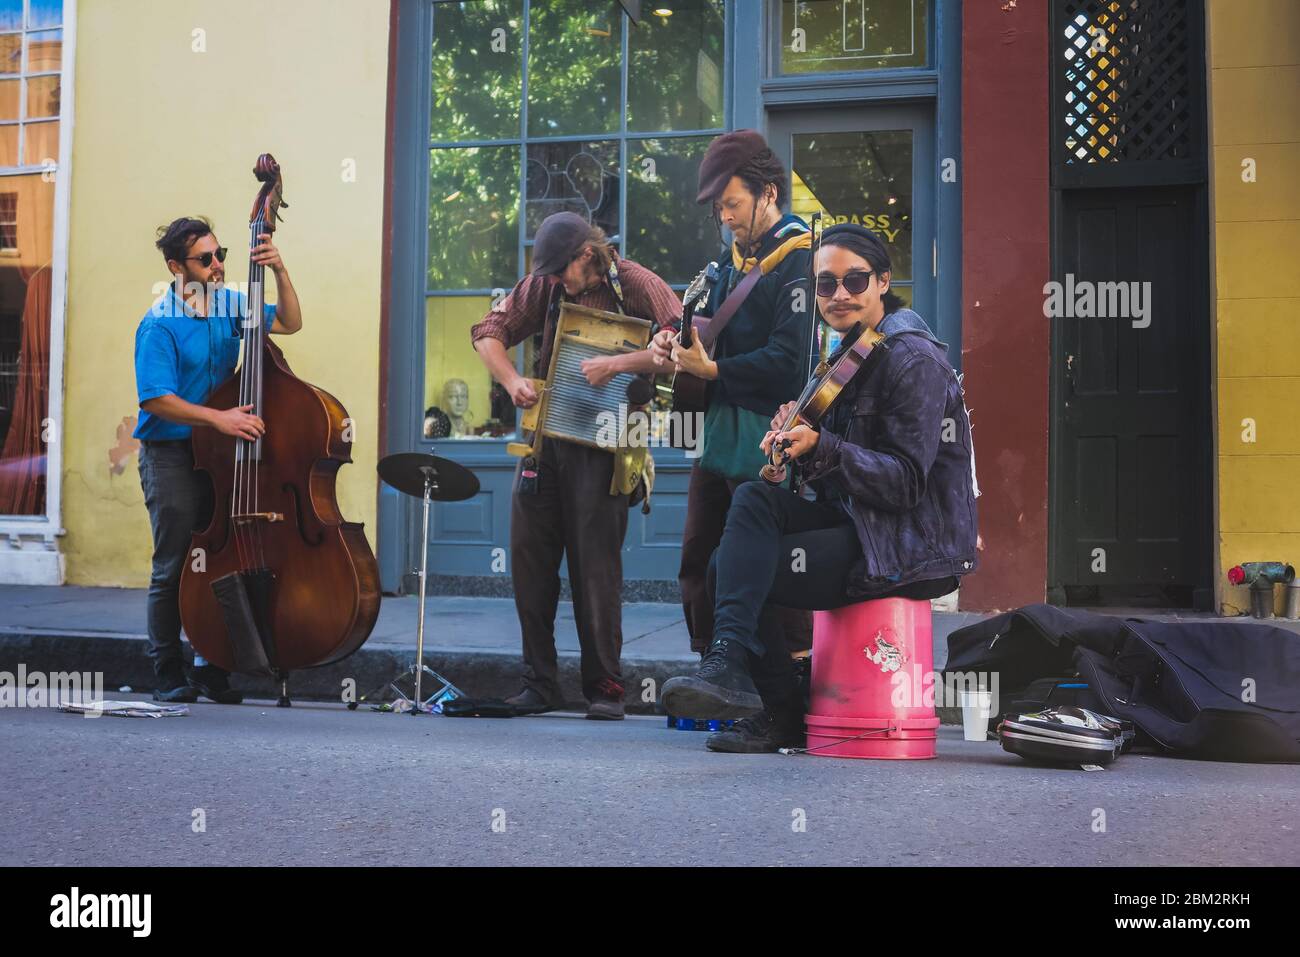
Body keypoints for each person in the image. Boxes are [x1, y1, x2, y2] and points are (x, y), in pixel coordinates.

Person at [661, 224, 980, 753]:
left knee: (745, 565)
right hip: (858, 522)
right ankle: (729, 667)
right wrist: (799, 438)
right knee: (744, 517)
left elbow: (904, 484)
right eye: (825, 285)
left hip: (908, 544)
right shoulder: (849, 355)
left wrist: (823, 447)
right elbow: (835, 470)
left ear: (882, 281)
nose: (839, 295)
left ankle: (769, 701)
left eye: (854, 280)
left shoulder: (912, 360)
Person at [470, 212, 679, 720]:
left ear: (587, 255)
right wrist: (510, 380)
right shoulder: (545, 286)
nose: (556, 280)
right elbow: (487, 332)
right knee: (529, 562)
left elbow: (682, 350)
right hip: (548, 436)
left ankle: (605, 687)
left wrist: (617, 364)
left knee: (596, 567)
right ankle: (538, 683)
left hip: (612, 437)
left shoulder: (638, 284)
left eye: (562, 270)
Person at [649, 129, 815, 661]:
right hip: (717, 434)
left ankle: (786, 680)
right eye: (719, 207)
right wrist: (674, 340)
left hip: (769, 437)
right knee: (699, 556)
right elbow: (703, 328)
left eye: (733, 204)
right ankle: (714, 668)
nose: (724, 217)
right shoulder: (727, 262)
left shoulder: (799, 259)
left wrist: (714, 368)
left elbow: (791, 361)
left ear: (768, 193)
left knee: (768, 559)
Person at [134, 216, 302, 703]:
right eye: (205, 259)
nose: (218, 265)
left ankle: (211, 666)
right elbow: (155, 399)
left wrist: (281, 271)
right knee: (174, 564)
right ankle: (166, 670)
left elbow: (289, 322)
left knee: (218, 556)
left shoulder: (231, 304)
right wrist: (220, 419)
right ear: (175, 266)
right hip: (171, 454)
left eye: (220, 253)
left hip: (217, 452)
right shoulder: (159, 322)